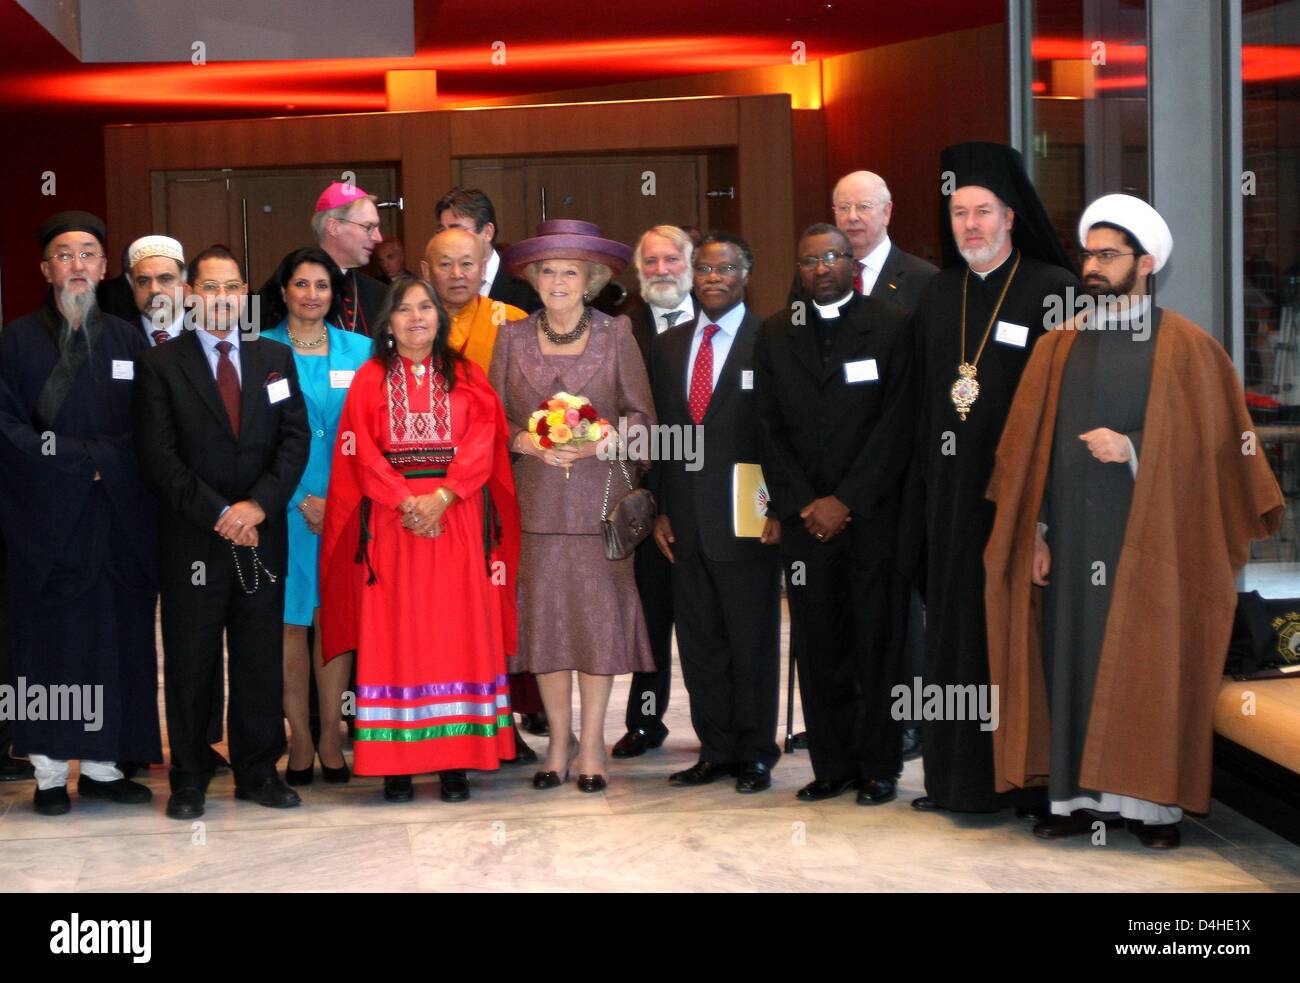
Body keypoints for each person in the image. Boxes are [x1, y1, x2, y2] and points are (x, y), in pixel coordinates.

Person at [985, 195, 1285, 849]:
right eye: (1087, 251)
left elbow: (1221, 455)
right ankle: (1072, 799)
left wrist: (1136, 449)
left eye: (1107, 253)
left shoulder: (1190, 350)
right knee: (1069, 662)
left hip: (1153, 545)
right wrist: (1033, 530)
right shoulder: (1056, 347)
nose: (1091, 264)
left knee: (1148, 669)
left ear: (1146, 263)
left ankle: (1150, 808)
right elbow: (1025, 452)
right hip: (1069, 543)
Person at [904, 141, 1081, 816]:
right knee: (955, 636)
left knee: (1018, 640)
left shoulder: (1053, 289)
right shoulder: (938, 293)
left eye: (982, 212)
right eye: (958, 213)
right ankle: (958, 781)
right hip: (949, 502)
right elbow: (921, 401)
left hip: (1021, 500)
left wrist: (1050, 516)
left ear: (1011, 216)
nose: (970, 226)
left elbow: (1070, 405)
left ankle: (1031, 783)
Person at [320, 276, 520, 803]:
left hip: (456, 520)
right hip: (392, 524)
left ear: (440, 316)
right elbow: (358, 448)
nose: (416, 318)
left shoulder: (468, 375)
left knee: (456, 635)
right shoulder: (368, 378)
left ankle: (458, 760)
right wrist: (406, 501)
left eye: (426, 307)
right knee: (396, 639)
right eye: (405, 309)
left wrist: (445, 495)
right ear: (388, 322)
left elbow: (485, 441)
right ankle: (397, 764)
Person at [134, 245, 309, 820]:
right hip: (194, 538)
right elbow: (159, 459)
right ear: (189, 294)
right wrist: (222, 514)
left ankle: (259, 769)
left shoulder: (274, 358)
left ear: (244, 296)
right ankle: (189, 775)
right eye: (209, 287)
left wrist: (256, 506)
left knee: (259, 654)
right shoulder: (161, 364)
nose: (222, 298)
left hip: (261, 533)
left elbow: (294, 441)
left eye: (232, 287)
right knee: (191, 657)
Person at [0, 210, 161, 815]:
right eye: (63, 255)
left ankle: (102, 767)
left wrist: (105, 464)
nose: (76, 265)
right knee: (48, 644)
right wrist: (75, 461)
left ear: (102, 267)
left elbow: (151, 426)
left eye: (87, 253)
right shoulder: (14, 341)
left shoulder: (127, 338)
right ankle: (46, 774)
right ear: (45, 269)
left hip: (117, 518)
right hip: (43, 521)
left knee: (115, 637)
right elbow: (6, 425)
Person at [491, 219, 655, 793]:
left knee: (597, 629)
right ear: (533, 279)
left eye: (570, 272)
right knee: (548, 630)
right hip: (535, 508)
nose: (557, 280)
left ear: (590, 280)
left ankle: (591, 744)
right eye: (548, 271)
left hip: (599, 508)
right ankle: (556, 742)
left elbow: (644, 417)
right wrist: (524, 440)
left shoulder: (617, 335)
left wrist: (610, 437)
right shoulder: (510, 338)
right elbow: (493, 421)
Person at [756, 224, 913, 804]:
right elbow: (766, 427)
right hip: (806, 524)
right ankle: (833, 765)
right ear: (798, 270)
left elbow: (899, 424)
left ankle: (879, 767)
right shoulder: (776, 333)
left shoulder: (892, 327)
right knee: (819, 646)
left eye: (833, 257)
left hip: (872, 519)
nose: (822, 268)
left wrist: (846, 499)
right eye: (809, 261)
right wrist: (803, 502)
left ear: (853, 264)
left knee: (877, 644)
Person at [652, 232, 782, 792]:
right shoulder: (668, 345)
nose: (712, 277)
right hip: (683, 518)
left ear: (745, 274)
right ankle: (716, 748)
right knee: (700, 641)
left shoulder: (772, 340)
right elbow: (659, 433)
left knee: (751, 638)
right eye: (703, 268)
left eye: (724, 268)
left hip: (749, 516)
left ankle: (755, 752)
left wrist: (780, 504)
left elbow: (785, 431)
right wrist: (658, 505)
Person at [420, 227, 542, 762]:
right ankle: (434, 722)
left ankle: (500, 722)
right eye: (445, 265)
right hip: (425, 496)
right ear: (427, 272)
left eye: (467, 264)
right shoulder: (412, 324)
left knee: (497, 604)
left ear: (483, 266)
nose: (456, 275)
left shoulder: (510, 323)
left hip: (497, 485)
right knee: (434, 612)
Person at [261, 247, 372, 787]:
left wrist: (340, 504)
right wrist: (301, 499)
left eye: (322, 286)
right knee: (289, 626)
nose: (311, 295)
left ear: (336, 294)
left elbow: (375, 437)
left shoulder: (365, 352)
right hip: (286, 511)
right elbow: (255, 443)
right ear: (283, 291)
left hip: (347, 512)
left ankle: (331, 734)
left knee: (335, 625)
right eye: (301, 284)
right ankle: (298, 739)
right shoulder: (260, 351)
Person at [612, 225, 698, 760]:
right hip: (646, 496)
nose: (661, 269)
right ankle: (645, 722)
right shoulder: (623, 328)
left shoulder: (717, 319)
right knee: (651, 618)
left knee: (709, 617)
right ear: (639, 269)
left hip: (708, 493)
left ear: (688, 265)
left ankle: (722, 719)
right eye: (652, 261)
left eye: (671, 259)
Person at [436, 187, 542, 314]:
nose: (448, 239)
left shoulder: (525, 283)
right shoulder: (436, 283)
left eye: (457, 230)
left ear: (487, 232)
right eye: (442, 231)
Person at [313, 181, 388, 335]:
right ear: (334, 227)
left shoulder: (380, 293)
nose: (378, 238)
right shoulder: (290, 285)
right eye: (369, 227)